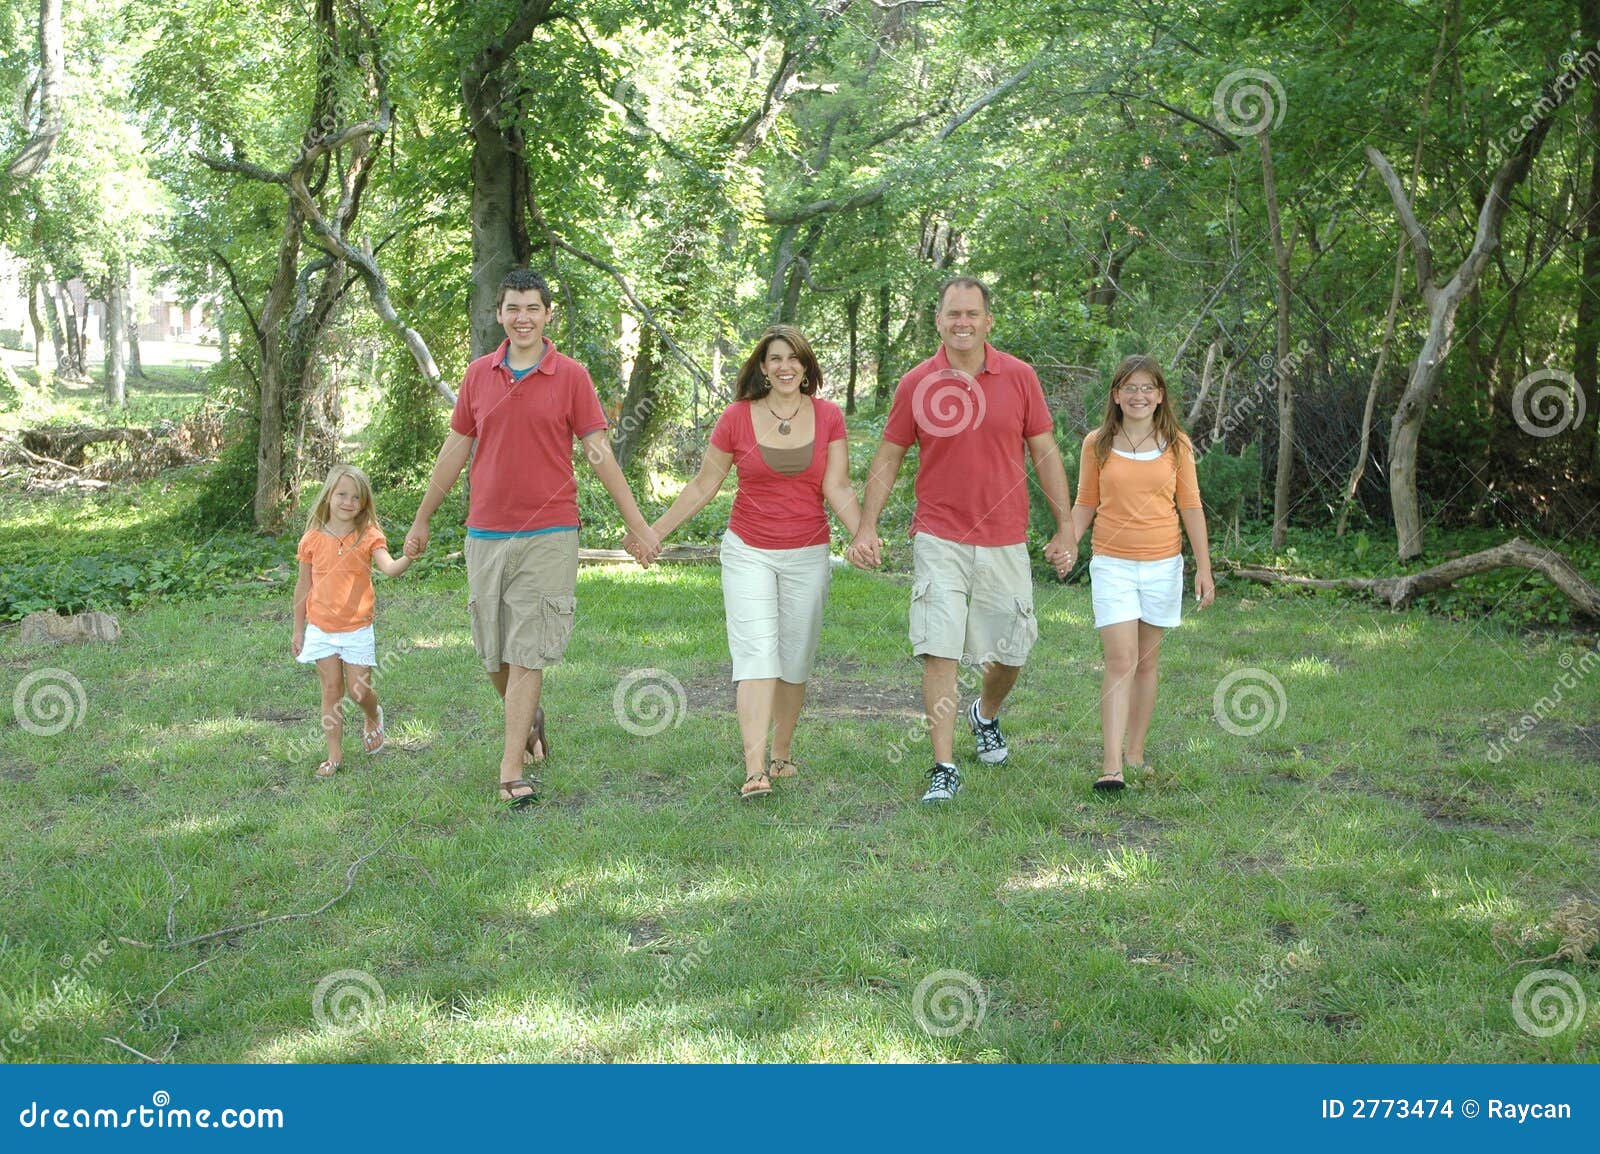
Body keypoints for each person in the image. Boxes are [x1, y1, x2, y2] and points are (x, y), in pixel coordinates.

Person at [403, 268, 661, 809]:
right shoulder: (478, 375)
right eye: (512, 308)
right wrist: (422, 517)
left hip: (550, 533)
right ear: (499, 315)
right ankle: (530, 716)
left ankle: (511, 766)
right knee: (493, 654)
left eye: (532, 308)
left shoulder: (571, 376)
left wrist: (638, 526)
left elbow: (598, 455)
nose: (522, 318)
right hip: (485, 533)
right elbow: (454, 452)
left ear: (548, 315)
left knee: (527, 652)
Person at [849, 276, 1075, 804]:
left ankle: (985, 714)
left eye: (972, 314)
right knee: (939, 647)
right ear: (939, 321)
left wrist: (1064, 525)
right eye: (953, 314)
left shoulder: (1019, 377)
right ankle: (944, 766)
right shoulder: (917, 382)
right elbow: (888, 458)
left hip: (1004, 536)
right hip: (939, 534)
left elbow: (1044, 454)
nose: (963, 323)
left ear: (988, 321)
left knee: (1012, 649)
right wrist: (866, 525)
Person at [641, 325, 862, 799]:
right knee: (756, 655)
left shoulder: (828, 417)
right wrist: (655, 531)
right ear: (762, 367)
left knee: (795, 658)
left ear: (806, 367)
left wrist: (863, 533)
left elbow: (837, 487)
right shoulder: (737, 418)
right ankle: (755, 768)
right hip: (749, 551)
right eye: (775, 359)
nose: (785, 367)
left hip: (808, 552)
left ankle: (782, 754)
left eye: (794, 358)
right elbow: (704, 485)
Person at [1070, 355, 1214, 792]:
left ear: (1160, 396)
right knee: (1120, 661)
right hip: (1112, 565)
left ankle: (1135, 752)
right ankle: (1111, 766)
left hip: (1163, 565)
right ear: (1116, 395)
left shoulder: (1177, 445)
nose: (1138, 395)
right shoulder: (1096, 444)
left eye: (1147, 387)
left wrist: (1204, 568)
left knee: (1147, 663)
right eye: (1129, 388)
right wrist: (1067, 542)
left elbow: (1190, 506)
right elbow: (1085, 503)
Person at [293, 463, 413, 777]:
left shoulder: (369, 535)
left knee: (359, 692)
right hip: (320, 628)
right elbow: (303, 586)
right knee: (332, 689)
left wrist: (409, 557)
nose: (348, 502)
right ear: (329, 495)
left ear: (364, 503)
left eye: (356, 497)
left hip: (357, 627)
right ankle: (334, 756)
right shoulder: (312, 539)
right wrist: (298, 629)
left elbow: (389, 568)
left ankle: (373, 715)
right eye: (342, 494)